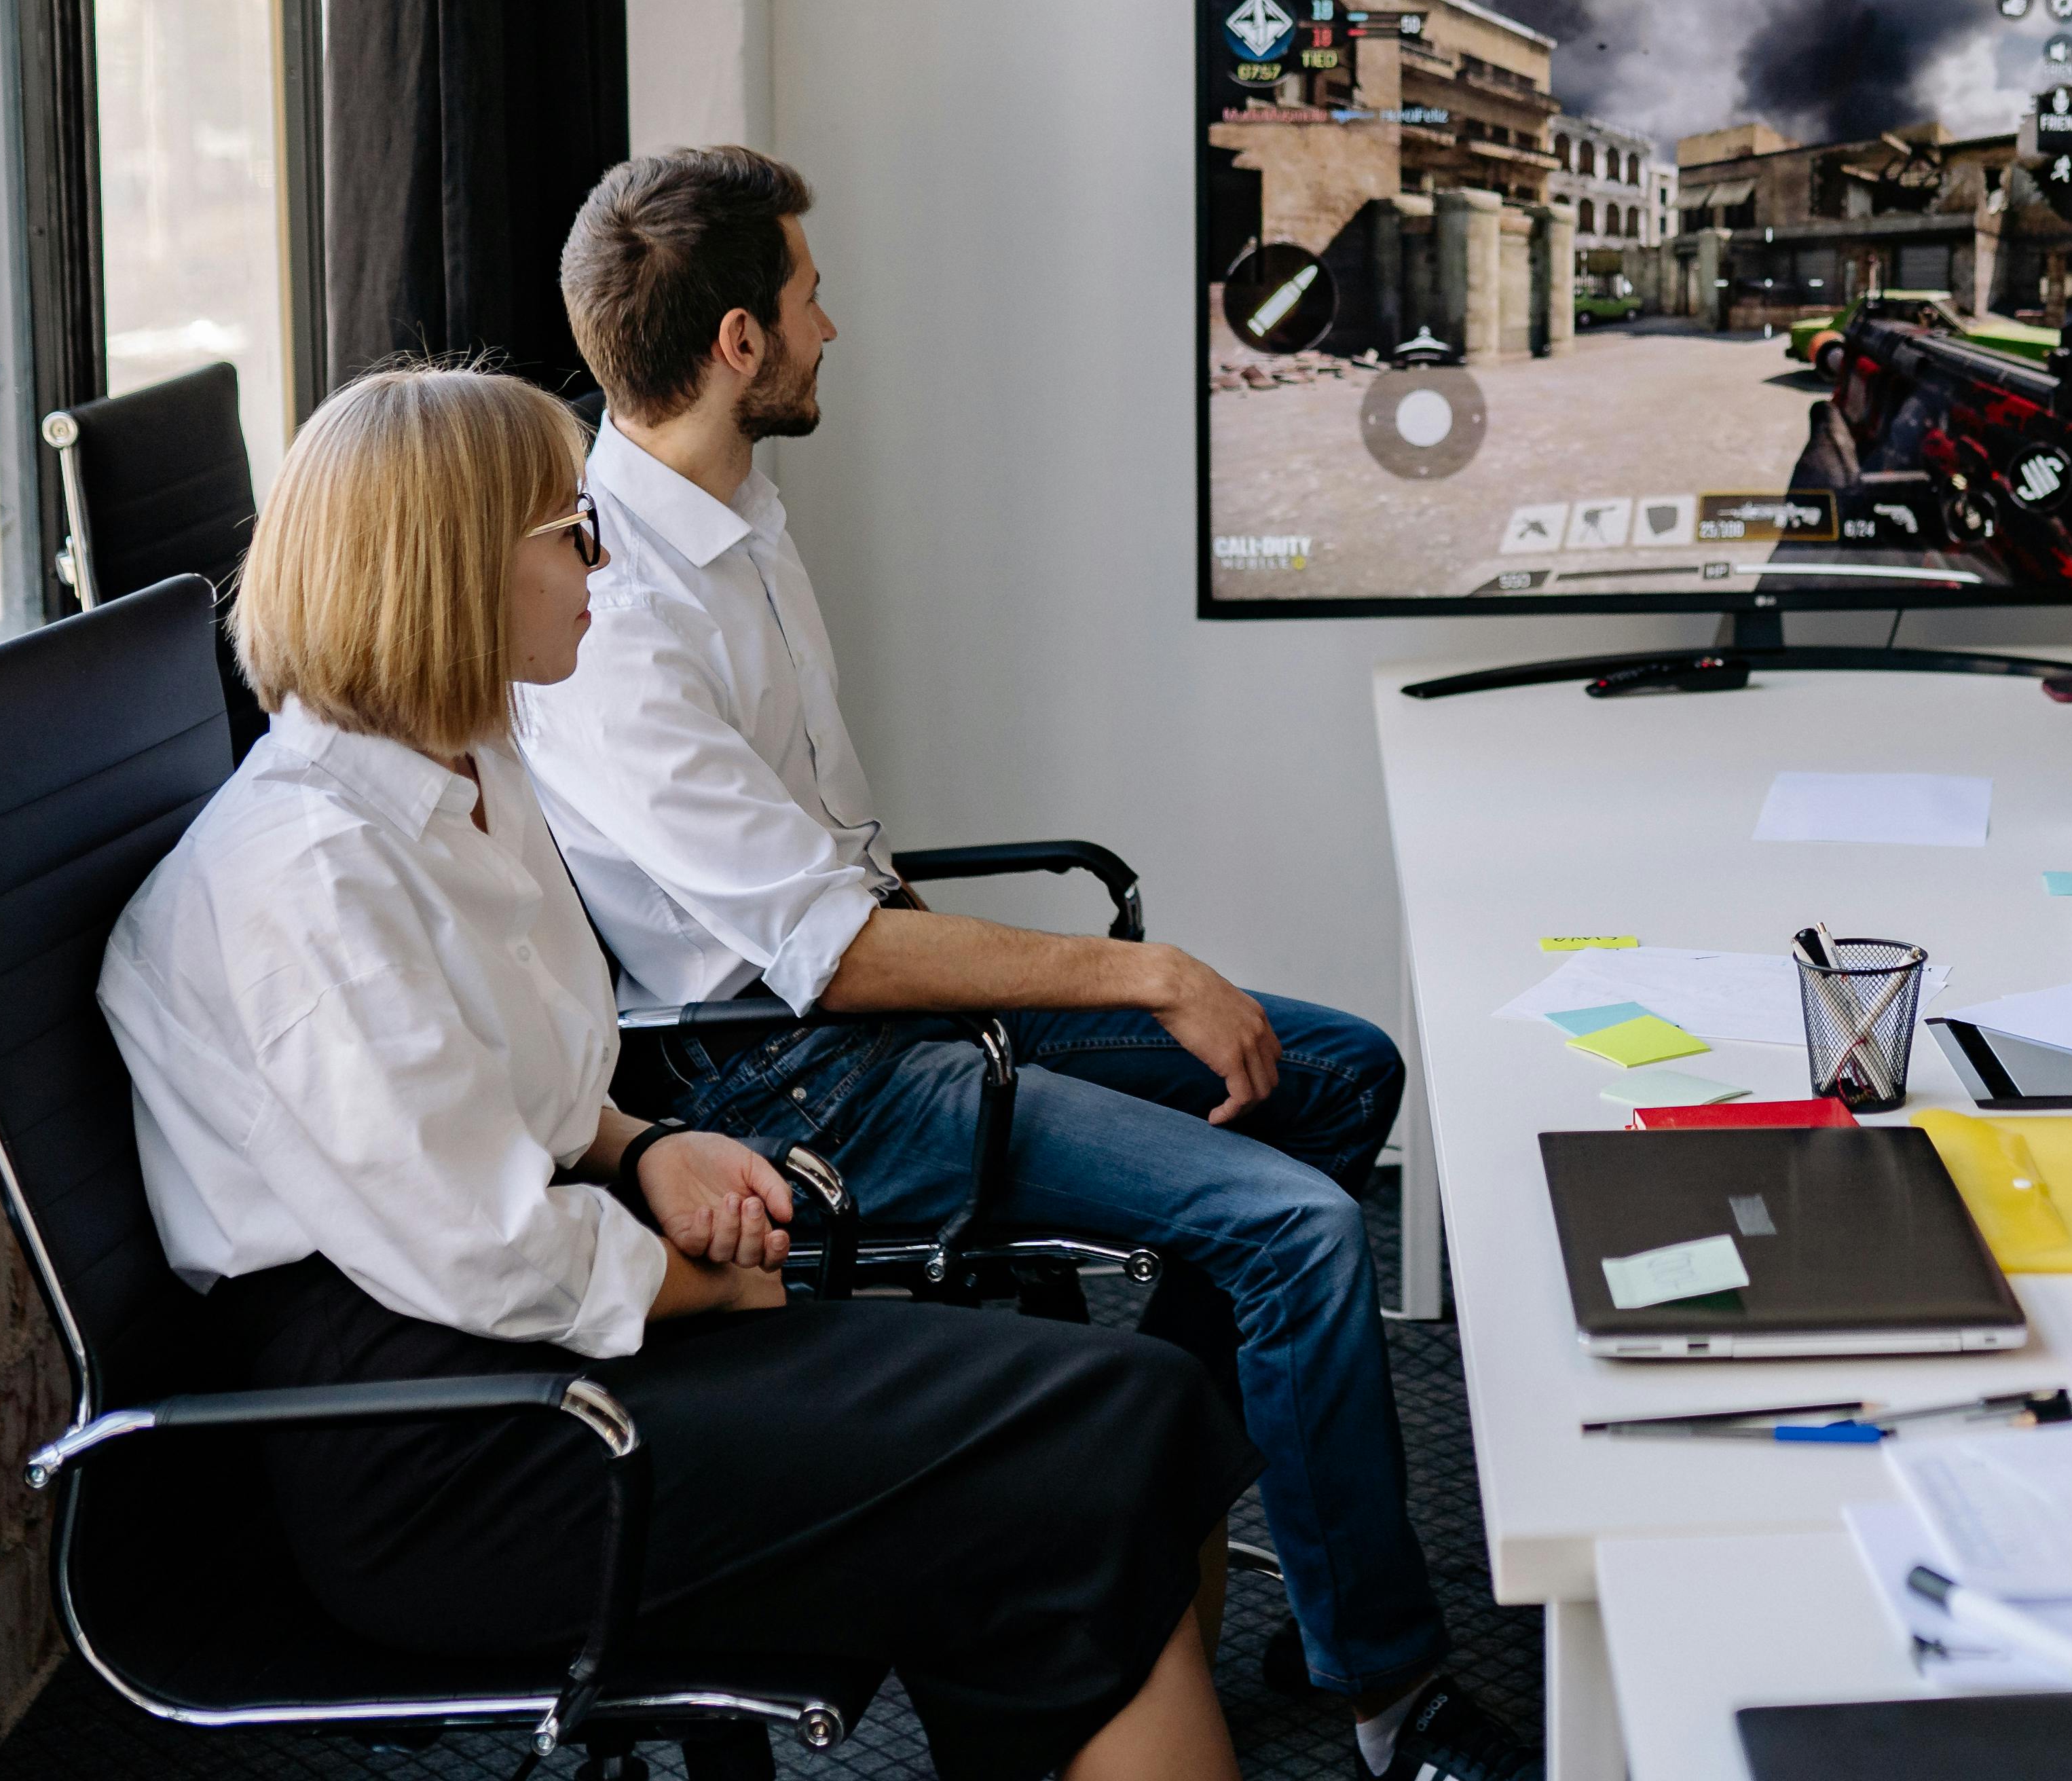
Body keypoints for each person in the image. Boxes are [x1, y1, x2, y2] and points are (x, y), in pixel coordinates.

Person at [515, 147, 1532, 1781]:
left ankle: (1149, 1470)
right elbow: (829, 953)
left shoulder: (732, 509)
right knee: (1298, 1229)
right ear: (736, 342)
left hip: (866, 1005)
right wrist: (1147, 974)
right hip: (796, 1078)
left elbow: (841, 863)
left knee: (1338, 1070)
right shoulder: (620, 619)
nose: (833, 324)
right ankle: (1392, 1686)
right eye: (809, 296)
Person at [96, 365, 1254, 1781]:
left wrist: (641, 1145)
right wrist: (697, 1282)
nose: (600, 560)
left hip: (533, 1350)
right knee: (1105, 1431)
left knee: (1117, 1430)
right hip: (449, 1450)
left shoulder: (464, 771)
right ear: (455, 569)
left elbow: (499, 1098)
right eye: (570, 530)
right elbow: (481, 1248)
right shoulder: (302, 875)